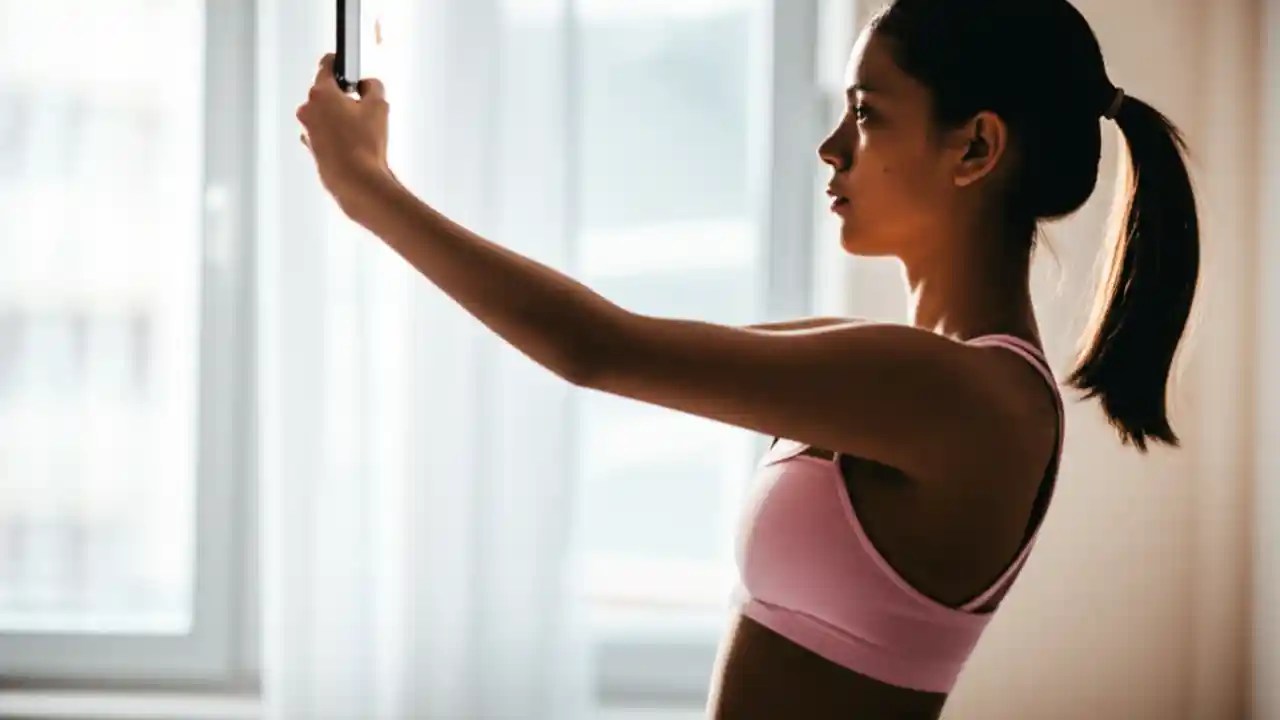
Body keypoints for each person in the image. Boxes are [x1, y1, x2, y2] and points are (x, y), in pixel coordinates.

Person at [296, 0, 1199, 715]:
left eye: (866, 114)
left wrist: (370, 190)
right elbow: (612, 336)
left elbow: (596, 348)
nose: (831, 147)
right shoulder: (902, 370)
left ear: (975, 147)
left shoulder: (965, 395)